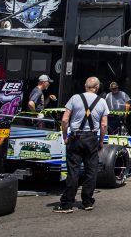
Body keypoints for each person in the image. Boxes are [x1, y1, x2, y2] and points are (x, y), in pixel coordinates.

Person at [54, 77, 108, 213]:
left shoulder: (74, 98)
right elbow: (104, 125)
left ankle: (67, 204)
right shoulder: (102, 102)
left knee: (73, 170)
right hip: (91, 138)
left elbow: (65, 120)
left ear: (85, 86)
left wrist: (65, 136)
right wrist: (101, 141)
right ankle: (87, 201)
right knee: (91, 170)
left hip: (76, 137)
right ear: (97, 88)